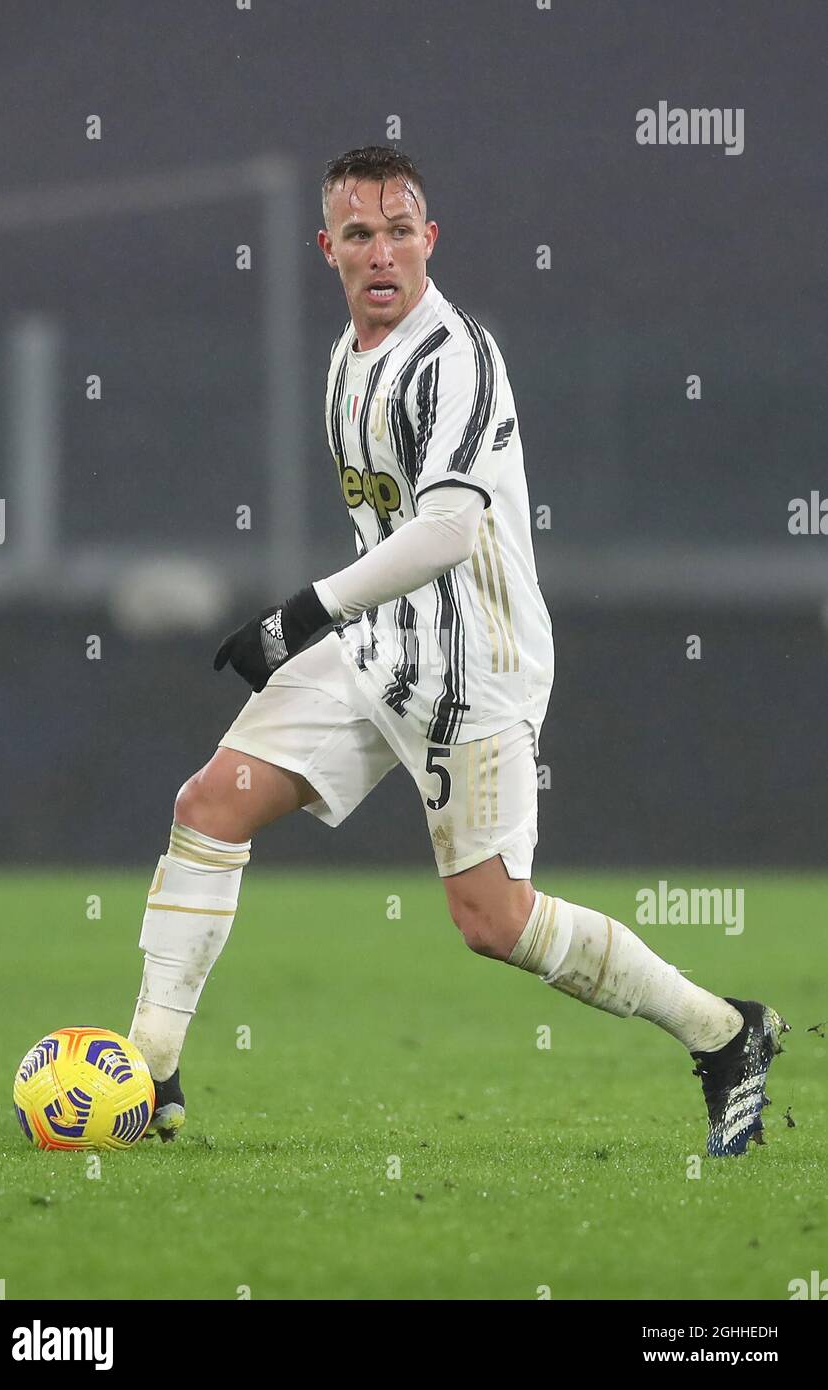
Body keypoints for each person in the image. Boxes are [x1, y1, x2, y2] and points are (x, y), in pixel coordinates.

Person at [129, 145, 787, 1158]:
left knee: (492, 920)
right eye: (359, 233)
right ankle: (146, 1071)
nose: (381, 251)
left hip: (474, 665)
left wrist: (293, 617)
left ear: (428, 239)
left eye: (399, 231)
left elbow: (445, 531)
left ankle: (722, 1032)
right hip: (377, 648)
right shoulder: (349, 360)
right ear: (327, 250)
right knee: (207, 804)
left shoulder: (455, 357)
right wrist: (330, 628)